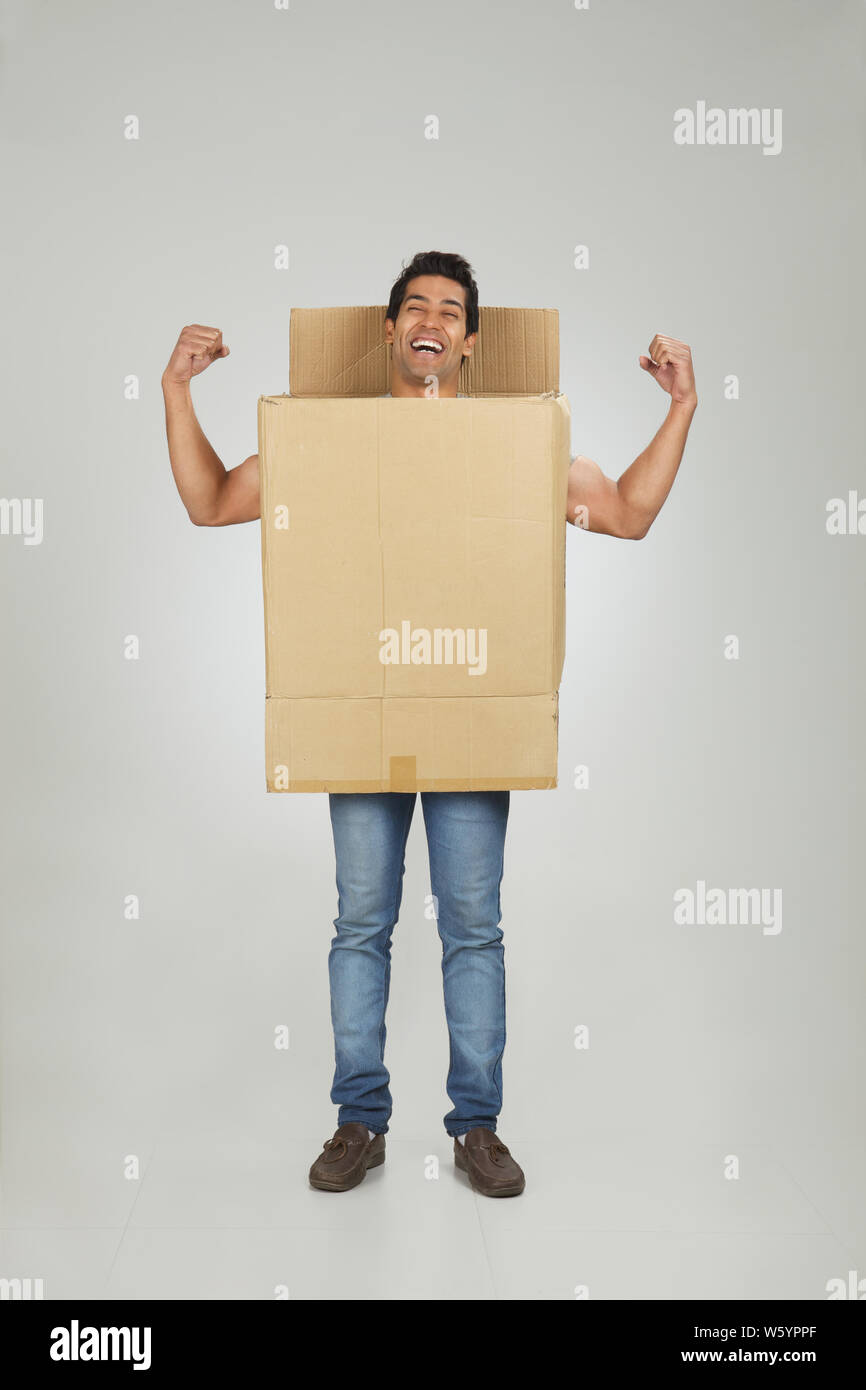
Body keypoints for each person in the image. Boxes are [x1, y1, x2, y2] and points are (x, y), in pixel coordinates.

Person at [161, 250, 698, 1197]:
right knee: (361, 923)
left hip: (467, 715)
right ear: (390, 330)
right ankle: (359, 1122)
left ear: (470, 341)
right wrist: (176, 389)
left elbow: (625, 514)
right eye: (417, 307)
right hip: (363, 714)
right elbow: (209, 505)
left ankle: (476, 1127)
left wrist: (681, 407)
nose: (433, 322)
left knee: (473, 928)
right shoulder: (330, 444)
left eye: (452, 312)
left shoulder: (515, 445)